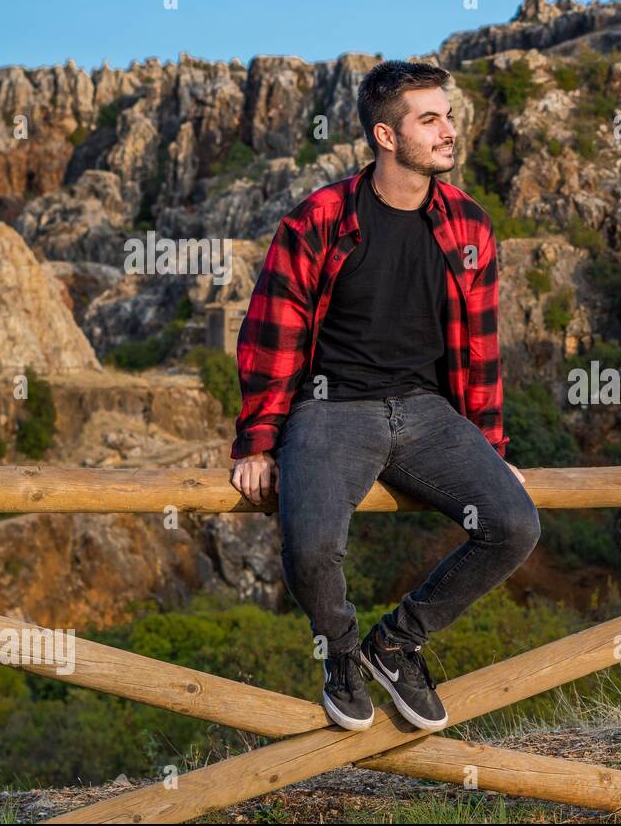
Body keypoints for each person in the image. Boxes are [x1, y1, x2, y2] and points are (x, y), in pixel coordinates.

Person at [228, 60, 540, 732]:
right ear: (386, 136)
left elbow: (481, 352)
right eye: (430, 119)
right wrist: (258, 442)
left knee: (515, 524)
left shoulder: (470, 228)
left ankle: (396, 644)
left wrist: (491, 449)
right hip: (332, 407)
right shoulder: (318, 219)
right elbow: (270, 335)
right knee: (310, 548)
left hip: (429, 415)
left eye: (447, 115)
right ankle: (341, 652)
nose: (448, 130)